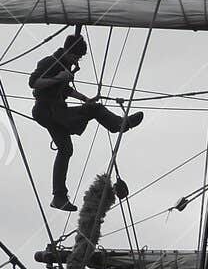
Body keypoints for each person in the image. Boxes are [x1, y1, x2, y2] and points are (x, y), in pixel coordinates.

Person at [29, 30, 142, 211]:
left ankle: (59, 197)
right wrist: (58, 78)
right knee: (95, 110)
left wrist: (84, 98)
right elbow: (34, 83)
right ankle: (118, 124)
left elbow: (65, 90)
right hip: (49, 110)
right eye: (76, 57)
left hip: (53, 111)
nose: (77, 61)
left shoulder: (63, 65)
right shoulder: (51, 62)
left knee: (66, 150)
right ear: (68, 52)